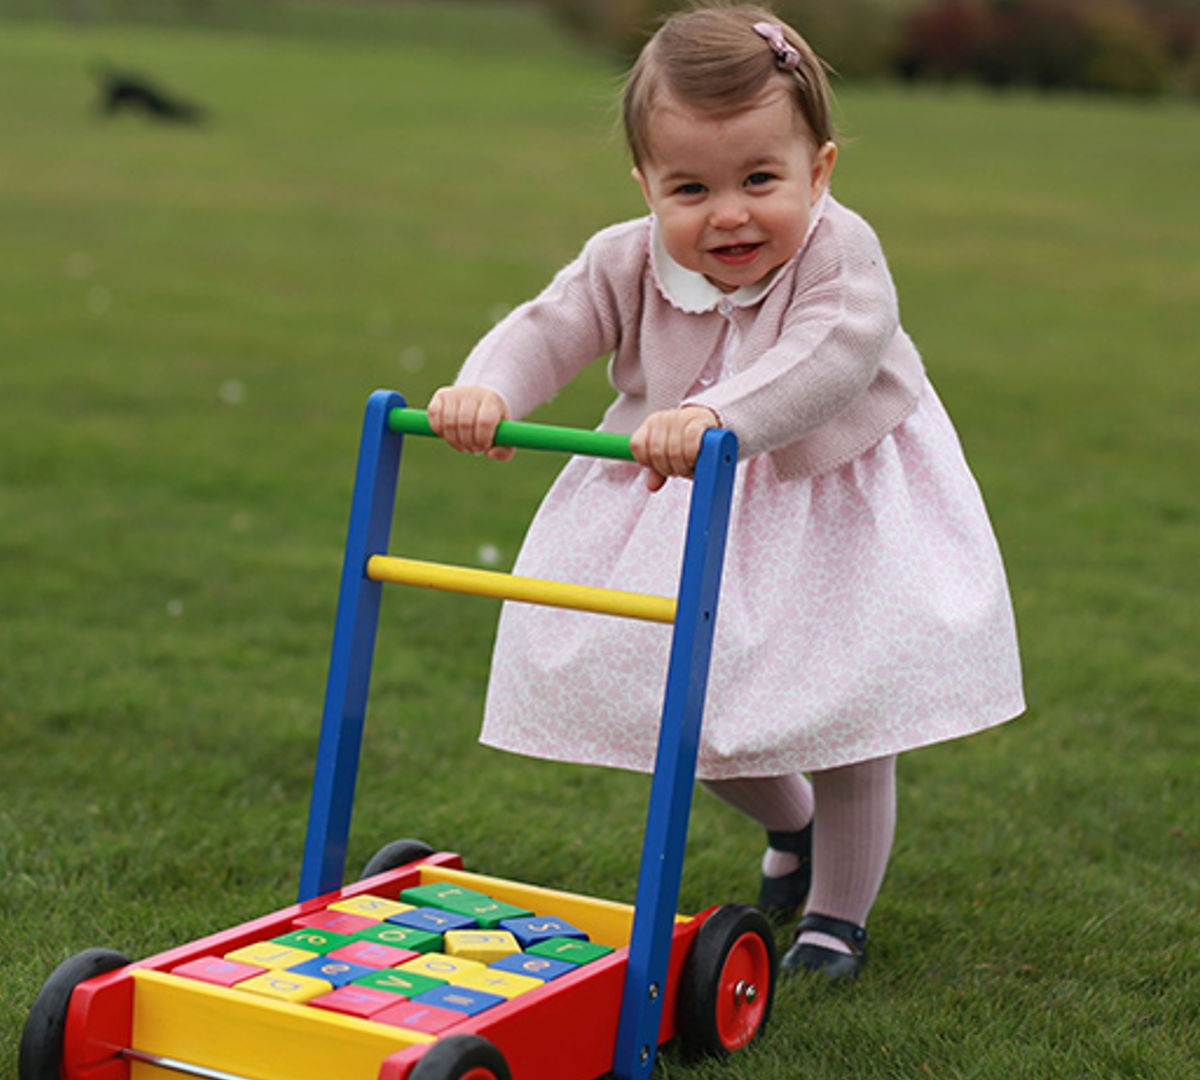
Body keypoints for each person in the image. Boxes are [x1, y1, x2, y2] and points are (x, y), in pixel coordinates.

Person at [425, 4, 1024, 980]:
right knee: (685, 707)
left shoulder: (840, 253)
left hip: (830, 499)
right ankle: (796, 826)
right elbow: (550, 322)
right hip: (692, 501)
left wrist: (717, 416)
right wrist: (489, 386)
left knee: (842, 713)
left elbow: (830, 356)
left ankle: (837, 917)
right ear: (646, 185)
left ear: (818, 170)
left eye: (759, 179)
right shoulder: (629, 257)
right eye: (691, 187)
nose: (730, 213)